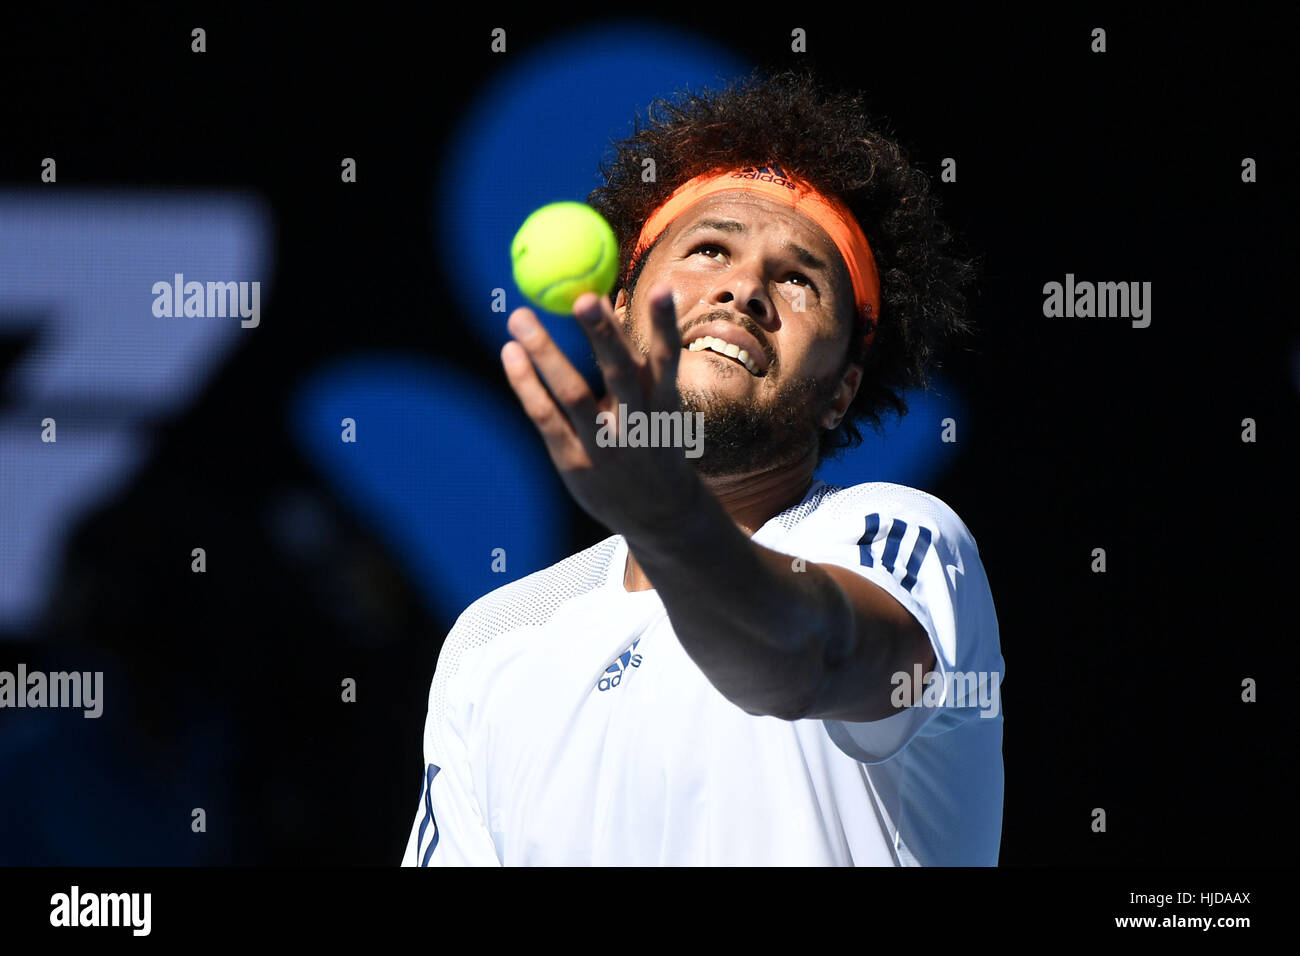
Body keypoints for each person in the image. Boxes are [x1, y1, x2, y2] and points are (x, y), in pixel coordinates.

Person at [402, 68, 1002, 866]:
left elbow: (806, 660)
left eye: (798, 279)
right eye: (709, 247)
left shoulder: (904, 537)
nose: (743, 288)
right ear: (620, 308)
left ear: (841, 392)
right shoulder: (492, 640)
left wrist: (671, 522)